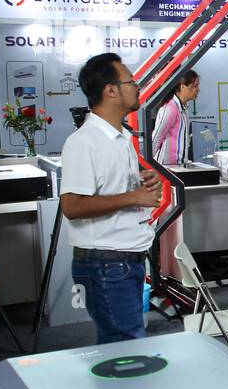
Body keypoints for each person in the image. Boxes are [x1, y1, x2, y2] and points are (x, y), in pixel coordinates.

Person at [60, 53, 162, 344]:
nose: (137, 86)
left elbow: (119, 189)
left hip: (124, 260)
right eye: (131, 81)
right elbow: (72, 205)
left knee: (119, 346)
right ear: (111, 90)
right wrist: (134, 197)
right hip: (105, 264)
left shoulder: (120, 138)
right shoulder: (84, 142)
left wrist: (144, 182)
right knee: (125, 345)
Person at [151, 69, 200, 167]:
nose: (198, 89)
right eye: (195, 86)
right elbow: (156, 139)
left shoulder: (183, 108)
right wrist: (149, 167)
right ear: (183, 87)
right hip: (166, 169)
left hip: (177, 168)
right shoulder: (171, 108)